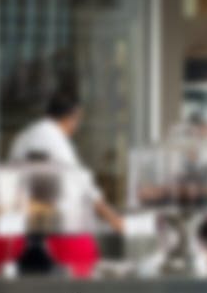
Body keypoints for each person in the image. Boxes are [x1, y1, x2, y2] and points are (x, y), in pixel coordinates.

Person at [9, 92, 123, 233]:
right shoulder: (55, 139)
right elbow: (84, 186)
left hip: (24, 220)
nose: (77, 126)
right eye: (77, 119)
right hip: (55, 225)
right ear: (70, 118)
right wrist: (113, 218)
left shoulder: (24, 136)